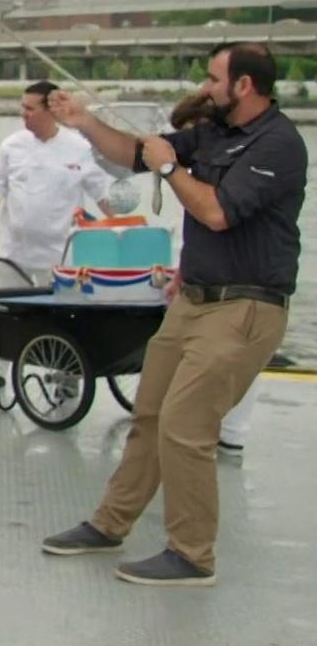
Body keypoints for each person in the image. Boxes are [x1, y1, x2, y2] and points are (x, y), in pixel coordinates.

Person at [40, 43, 304, 586]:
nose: (206, 88)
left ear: (245, 86)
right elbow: (135, 152)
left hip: (245, 307)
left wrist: (169, 165)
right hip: (195, 301)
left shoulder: (278, 145)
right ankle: (110, 524)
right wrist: (85, 122)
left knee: (187, 427)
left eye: (214, 79)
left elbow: (216, 211)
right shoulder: (213, 134)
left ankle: (192, 554)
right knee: (152, 415)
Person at [0, 80, 113, 389]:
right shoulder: (11, 145)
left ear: (49, 111)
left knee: (62, 317)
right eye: (22, 108)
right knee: (2, 311)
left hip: (58, 253)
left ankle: (69, 374)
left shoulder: (80, 147)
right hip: (13, 249)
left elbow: (101, 192)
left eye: (30, 109)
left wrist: (122, 221)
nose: (24, 115)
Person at [166, 92, 260, 457]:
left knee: (236, 357)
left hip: (239, 285)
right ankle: (222, 432)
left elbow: (217, 220)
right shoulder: (198, 174)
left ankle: (230, 434)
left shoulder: (237, 168)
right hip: (203, 276)